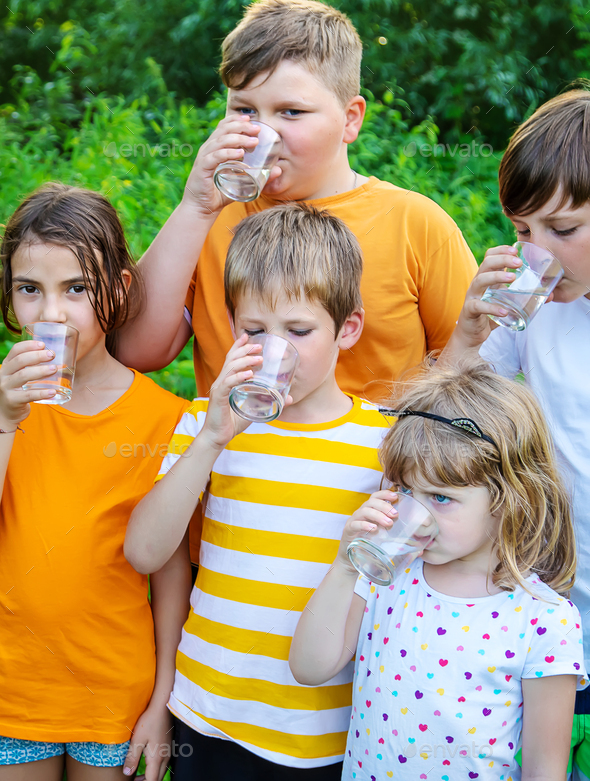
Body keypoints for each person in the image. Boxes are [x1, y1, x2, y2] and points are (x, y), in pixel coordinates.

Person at [116, 0, 477, 566]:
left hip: (377, 519)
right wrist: (194, 205)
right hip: (242, 517)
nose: (263, 132)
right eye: (244, 110)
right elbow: (138, 348)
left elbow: (472, 374)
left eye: (290, 112)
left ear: (351, 119)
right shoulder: (212, 220)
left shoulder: (415, 224)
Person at [124, 203, 392, 779]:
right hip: (208, 712)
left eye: (299, 331)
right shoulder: (207, 423)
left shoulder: (387, 443)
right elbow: (144, 552)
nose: (278, 350)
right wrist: (211, 441)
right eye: (254, 330)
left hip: (326, 729)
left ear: (347, 329)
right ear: (230, 326)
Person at [289, 359, 586, 780]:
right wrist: (344, 565)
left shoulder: (545, 619)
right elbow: (309, 668)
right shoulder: (385, 576)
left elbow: (545, 768)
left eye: (441, 498)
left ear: (508, 499)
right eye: (405, 490)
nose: (417, 513)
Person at [0, 183, 191, 781]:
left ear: (119, 289)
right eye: (29, 289)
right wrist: (5, 419)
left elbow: (169, 573)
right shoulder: (5, 404)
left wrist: (161, 701)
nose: (50, 315)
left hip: (117, 695)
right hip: (16, 689)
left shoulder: (166, 420)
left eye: (76, 289)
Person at [439, 87, 590, 779]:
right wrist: (470, 331)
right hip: (562, 597)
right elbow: (447, 417)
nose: (538, 252)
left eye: (563, 229)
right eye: (524, 231)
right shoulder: (536, 314)